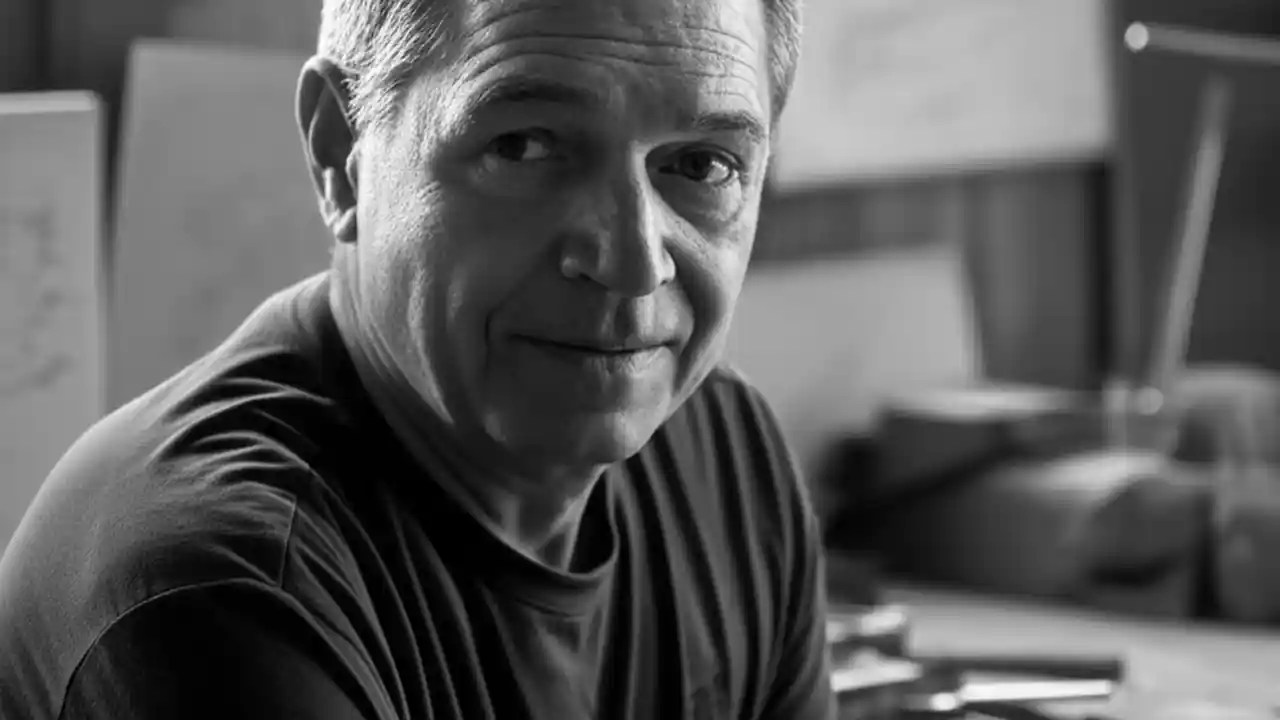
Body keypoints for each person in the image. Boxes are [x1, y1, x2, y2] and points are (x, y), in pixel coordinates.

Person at [0, 0, 833, 717]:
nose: (629, 261)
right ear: (340, 154)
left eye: (701, 165)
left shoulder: (726, 452)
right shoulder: (216, 588)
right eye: (526, 146)